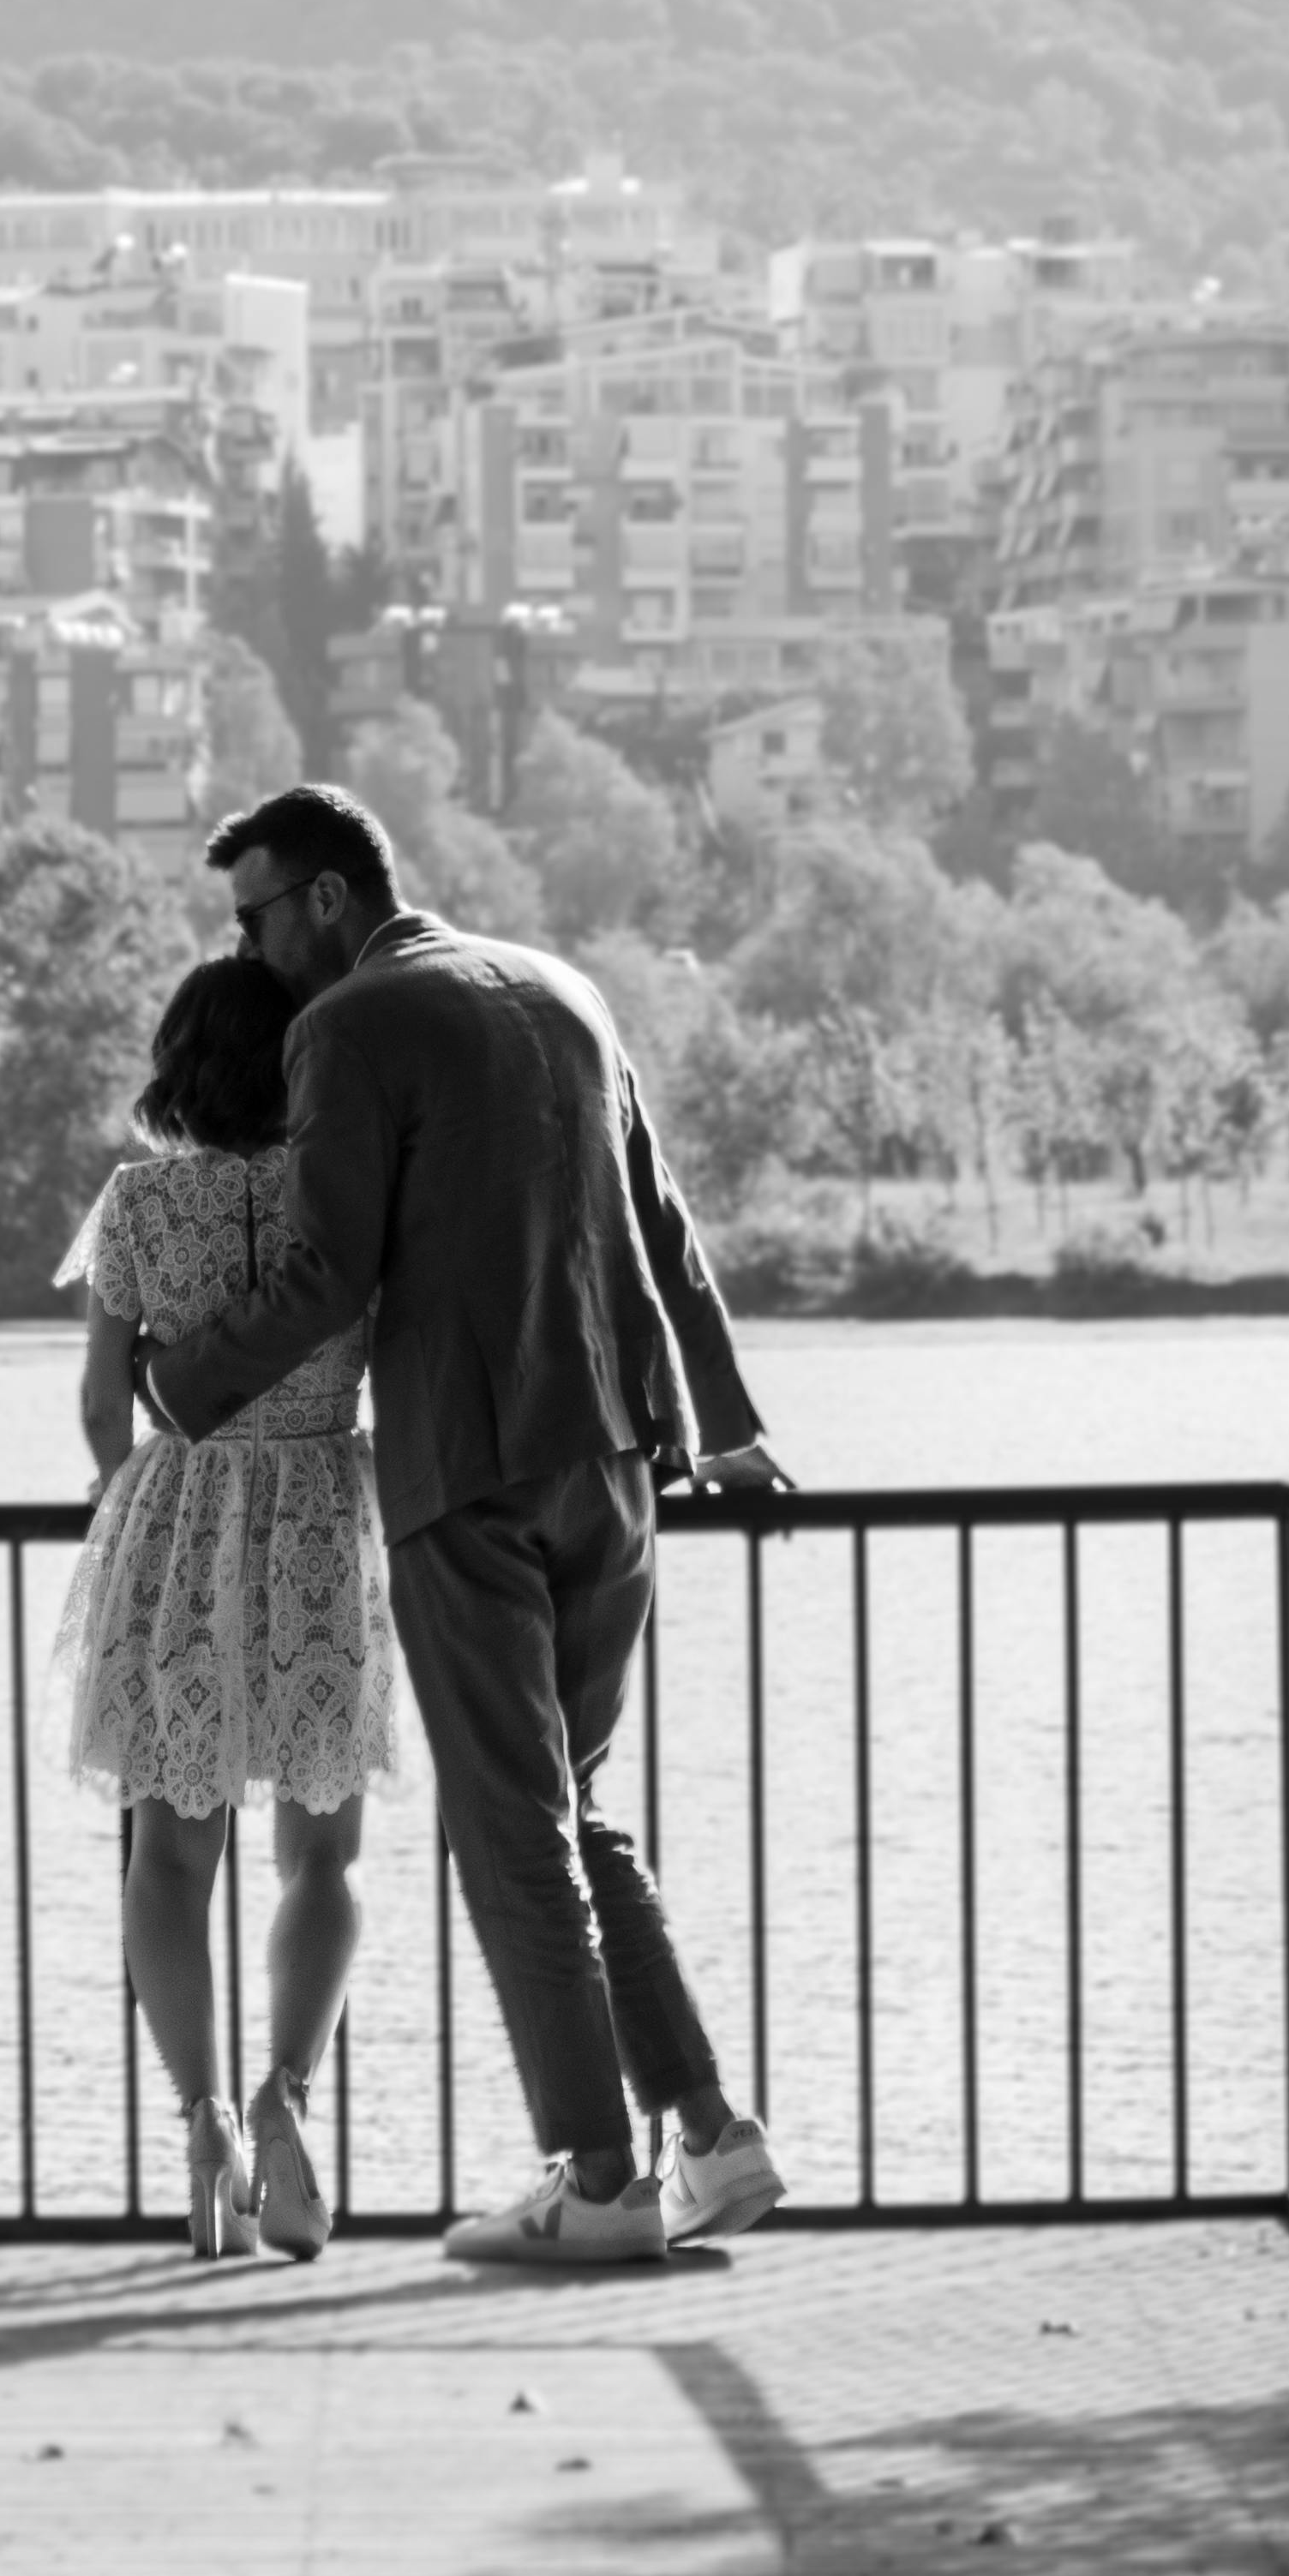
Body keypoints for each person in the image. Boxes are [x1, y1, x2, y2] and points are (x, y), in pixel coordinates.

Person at [139, 781, 792, 2267]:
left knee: (514, 1828)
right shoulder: (567, 989)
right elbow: (664, 1222)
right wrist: (732, 1428)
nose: (242, 949)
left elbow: (325, 1271)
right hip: (622, 1458)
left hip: (471, 1473)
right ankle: (710, 2131)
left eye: (253, 914)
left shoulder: (348, 1028)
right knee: (578, 1804)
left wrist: (179, 1390)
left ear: (323, 899)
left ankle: (599, 2176)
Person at [52, 956, 396, 2263]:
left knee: (170, 1857)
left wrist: (127, 1499)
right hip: (319, 1515)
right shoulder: (340, 1192)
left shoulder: (138, 1202)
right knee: (323, 1853)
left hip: (179, 1524)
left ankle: (203, 2127)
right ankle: (287, 2095)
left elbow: (99, 1406)